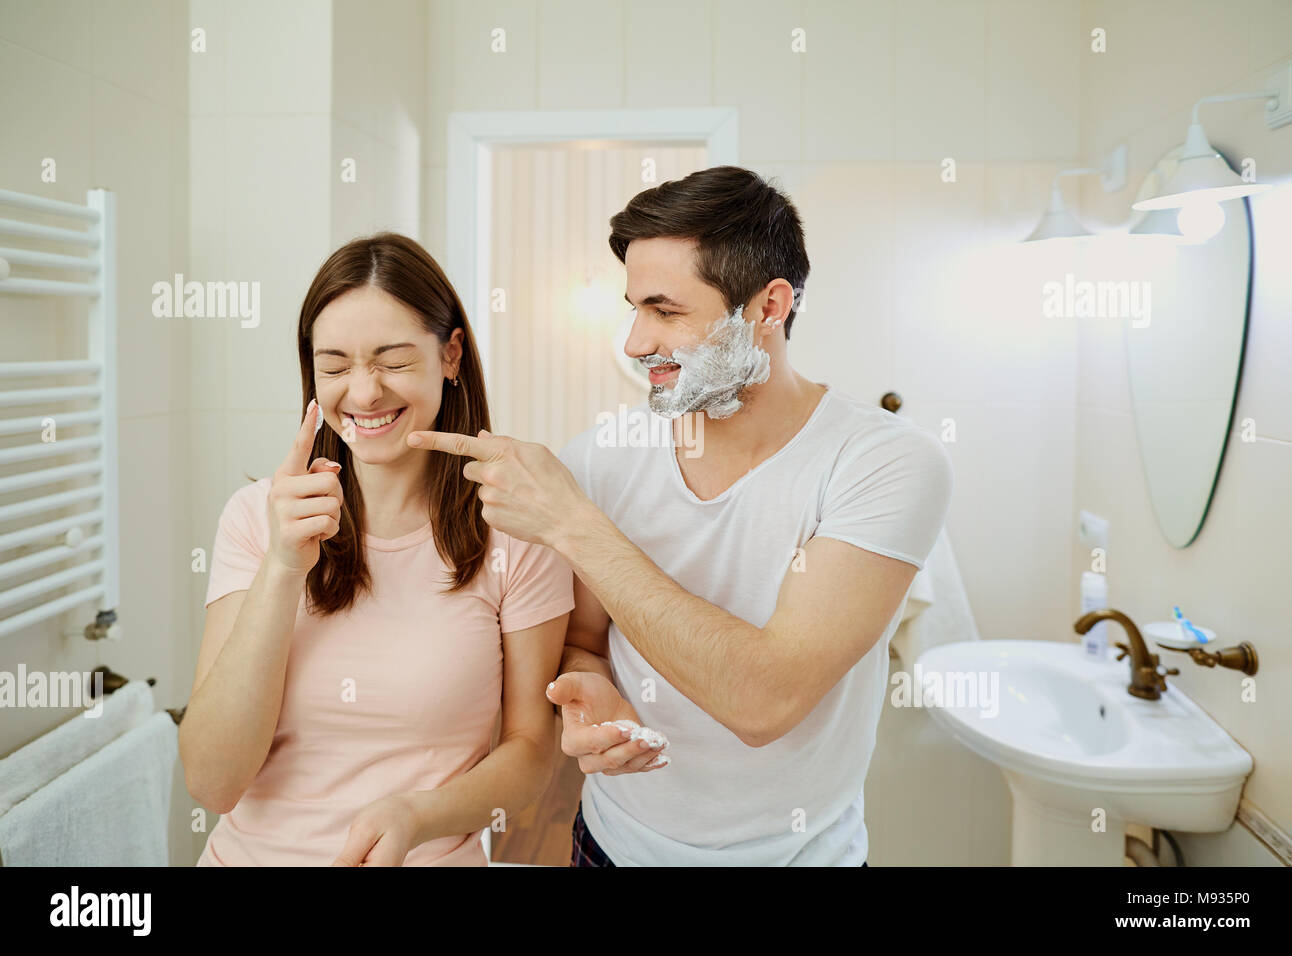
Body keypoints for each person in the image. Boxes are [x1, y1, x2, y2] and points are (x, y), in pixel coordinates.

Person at [406, 165, 955, 866]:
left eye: (665, 312)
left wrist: (572, 523)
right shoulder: (603, 458)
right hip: (612, 846)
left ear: (769, 306)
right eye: (634, 308)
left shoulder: (882, 462)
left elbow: (766, 699)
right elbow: (583, 639)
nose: (635, 343)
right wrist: (591, 690)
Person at [180, 233, 573, 866]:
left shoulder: (516, 530)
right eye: (333, 367)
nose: (362, 394)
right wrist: (283, 567)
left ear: (450, 355)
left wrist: (418, 816)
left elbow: (530, 753)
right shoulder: (256, 520)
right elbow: (212, 781)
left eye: (391, 361)